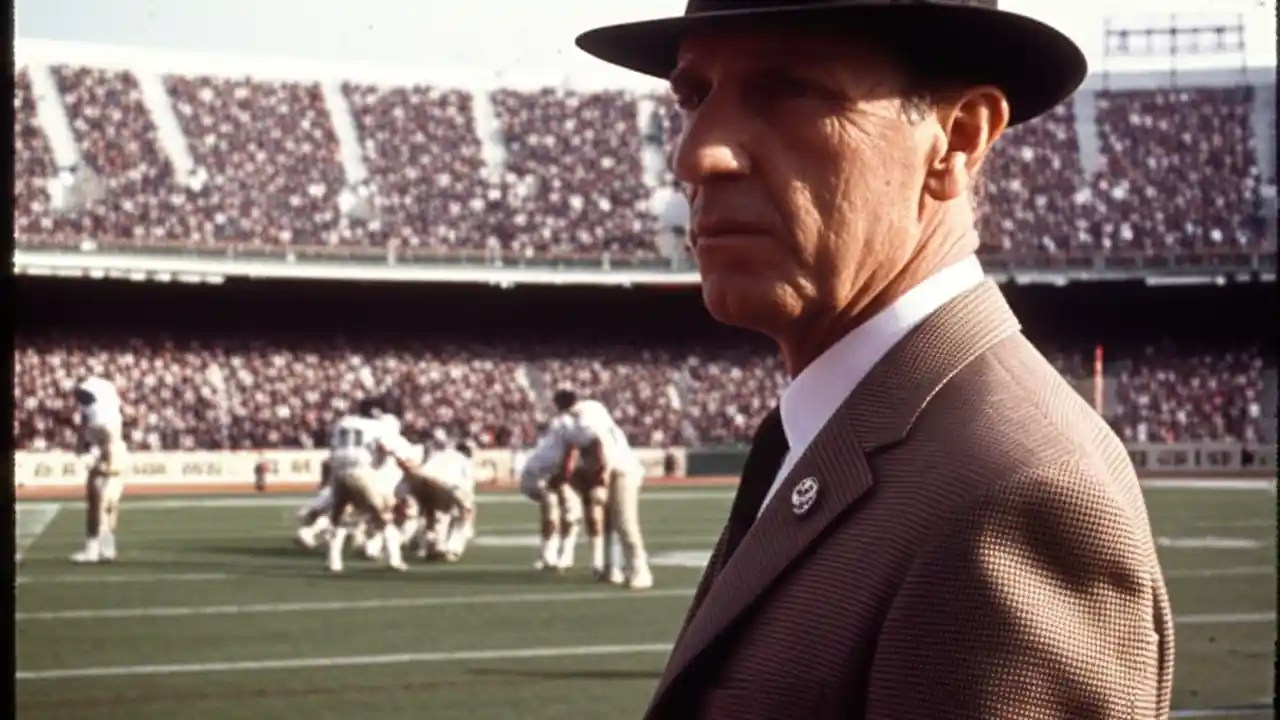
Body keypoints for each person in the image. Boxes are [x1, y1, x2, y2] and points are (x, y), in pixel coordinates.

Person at [576, 2, 1173, 718]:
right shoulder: (853, 429)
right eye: (694, 96)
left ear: (957, 138)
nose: (696, 154)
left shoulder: (1014, 496)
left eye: (791, 89)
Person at [69, 376, 128, 564]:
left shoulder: (100, 410)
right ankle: (105, 549)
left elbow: (106, 436)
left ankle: (95, 549)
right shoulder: (102, 404)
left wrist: (98, 457)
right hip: (110, 454)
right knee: (105, 506)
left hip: (108, 456)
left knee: (99, 503)